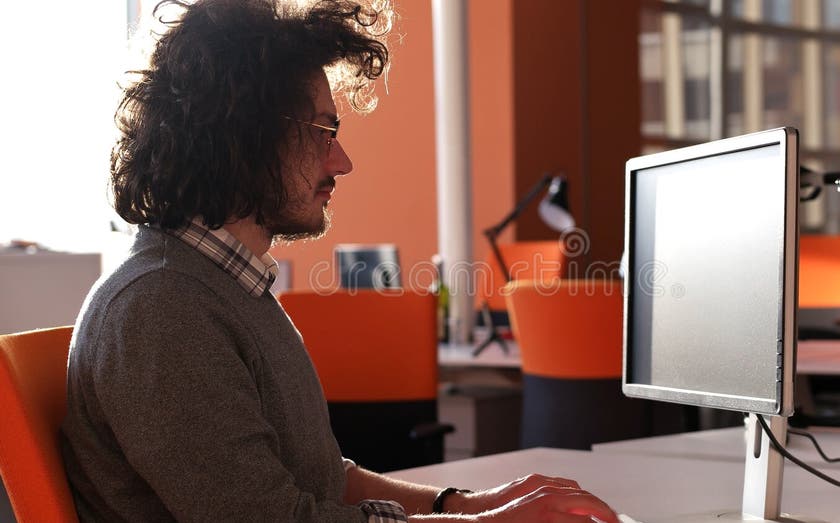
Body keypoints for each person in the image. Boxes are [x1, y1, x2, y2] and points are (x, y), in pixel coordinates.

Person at [59, 0, 622, 522]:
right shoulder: (163, 310)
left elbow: (322, 482)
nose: (343, 161)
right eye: (324, 131)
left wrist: (468, 503)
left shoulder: (222, 288)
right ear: (244, 137)